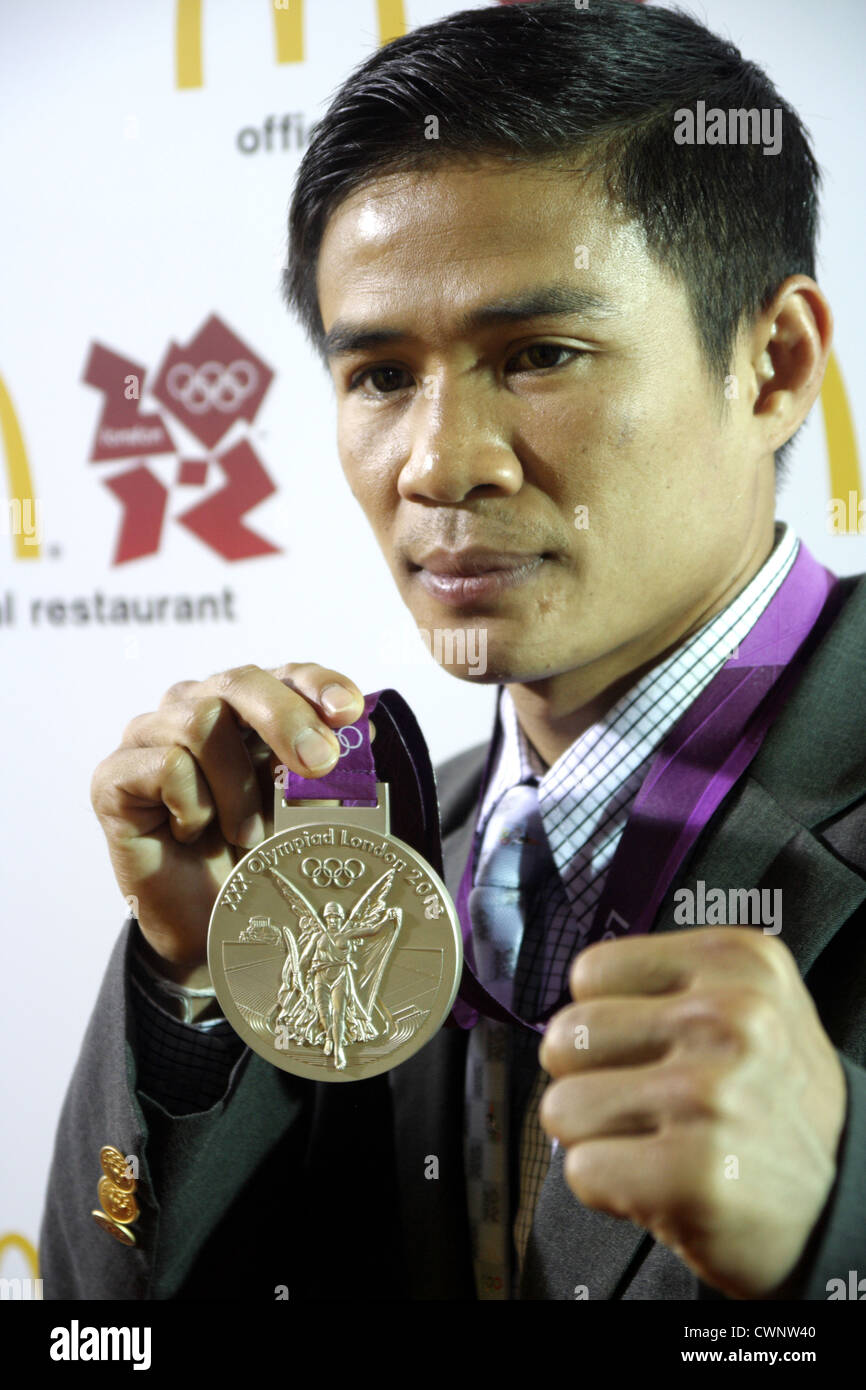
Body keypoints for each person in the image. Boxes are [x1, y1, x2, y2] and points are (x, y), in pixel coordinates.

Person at [40, 0, 866, 1301]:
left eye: (538, 355)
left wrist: (838, 1214)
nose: (438, 463)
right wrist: (197, 987)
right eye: (380, 375)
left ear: (772, 365)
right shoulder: (358, 864)